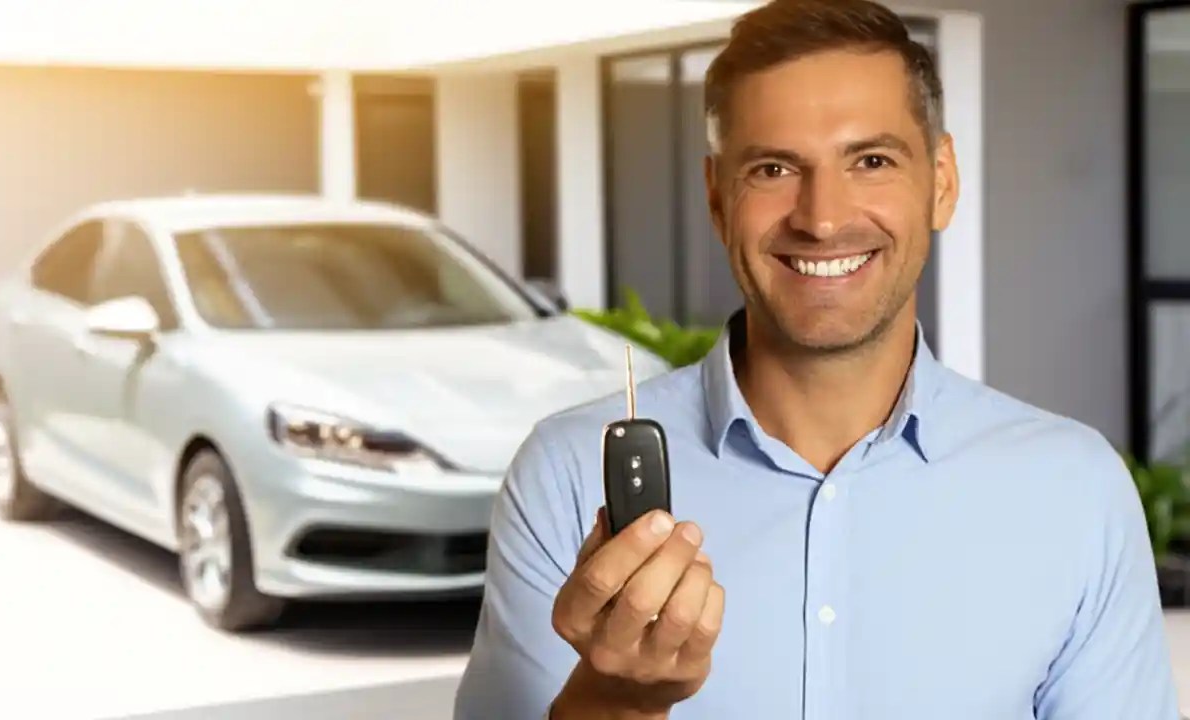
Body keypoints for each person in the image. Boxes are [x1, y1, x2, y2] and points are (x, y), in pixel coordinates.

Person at [452, 0, 1181, 717]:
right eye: (772, 169)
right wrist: (613, 705)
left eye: (871, 159)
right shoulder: (570, 473)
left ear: (942, 180)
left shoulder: (1075, 490)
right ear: (716, 198)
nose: (823, 218)